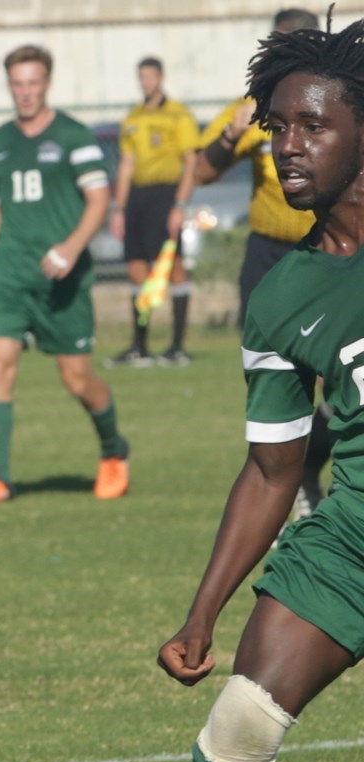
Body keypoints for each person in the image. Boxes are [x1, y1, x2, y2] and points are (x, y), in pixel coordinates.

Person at [119, 15, 364, 762]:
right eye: (273, 128)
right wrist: (198, 613)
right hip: (350, 538)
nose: (285, 146)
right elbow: (269, 472)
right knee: (236, 725)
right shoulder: (283, 295)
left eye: (309, 125)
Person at [0, 45, 128, 505]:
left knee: (76, 380)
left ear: (47, 83)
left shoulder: (74, 136)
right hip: (10, 277)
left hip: (64, 281)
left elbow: (99, 200)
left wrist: (71, 248)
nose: (25, 92)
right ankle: (0, 477)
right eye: (18, 83)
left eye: (33, 82)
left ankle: (114, 451)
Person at [183, 9, 329, 516]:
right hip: (270, 255)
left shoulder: (338, 98)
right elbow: (201, 170)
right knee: (278, 375)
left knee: (342, 377)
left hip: (332, 248)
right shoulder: (257, 105)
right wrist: (229, 136)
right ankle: (294, 479)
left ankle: (321, 466)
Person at [110, 57, 200, 367]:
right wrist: (119, 208)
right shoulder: (133, 117)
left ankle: (177, 346)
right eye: (142, 77)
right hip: (137, 197)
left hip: (166, 194)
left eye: (151, 76)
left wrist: (180, 204)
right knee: (136, 268)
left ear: (160, 77)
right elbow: (126, 164)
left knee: (172, 266)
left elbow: (191, 161)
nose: (146, 82)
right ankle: (140, 346)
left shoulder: (178, 115)